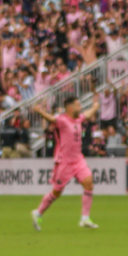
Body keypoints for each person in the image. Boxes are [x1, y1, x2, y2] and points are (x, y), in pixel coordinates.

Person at [31, 95, 101, 230]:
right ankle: (38, 213)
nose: (80, 107)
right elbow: (51, 119)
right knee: (57, 192)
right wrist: (40, 111)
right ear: (70, 108)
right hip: (65, 162)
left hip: (78, 159)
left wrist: (95, 107)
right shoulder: (62, 120)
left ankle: (85, 218)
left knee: (88, 183)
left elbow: (87, 114)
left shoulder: (78, 118)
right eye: (78, 105)